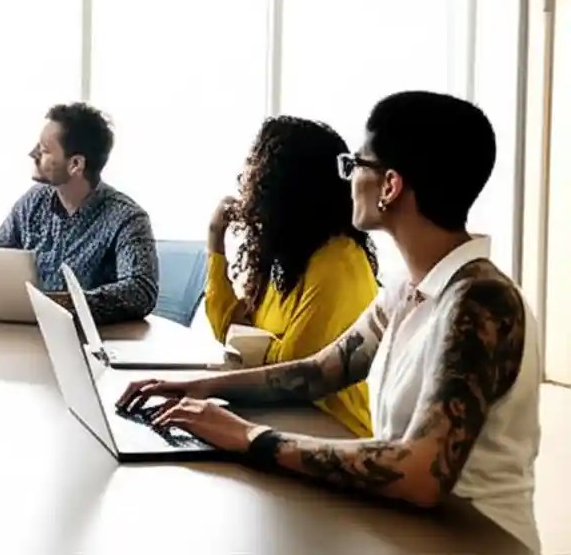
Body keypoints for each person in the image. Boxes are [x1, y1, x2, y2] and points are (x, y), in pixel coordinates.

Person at [117, 91, 541, 553]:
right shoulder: (410, 288)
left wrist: (247, 437)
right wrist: (201, 389)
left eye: (355, 164)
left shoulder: (479, 301)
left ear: (390, 185)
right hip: (415, 528)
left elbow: (420, 473)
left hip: (475, 539)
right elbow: (318, 372)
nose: (348, 178)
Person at [206, 116, 379, 436]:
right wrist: (216, 242)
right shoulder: (285, 254)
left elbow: (289, 372)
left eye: (257, 173)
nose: (249, 186)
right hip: (278, 418)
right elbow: (228, 331)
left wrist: (252, 350)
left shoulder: (338, 261)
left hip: (332, 434)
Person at [0, 103, 159, 324]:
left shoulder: (126, 218)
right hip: (29, 335)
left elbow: (140, 291)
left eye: (44, 149)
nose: (32, 154)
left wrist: (60, 304)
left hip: (92, 345)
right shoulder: (33, 202)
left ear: (75, 164)